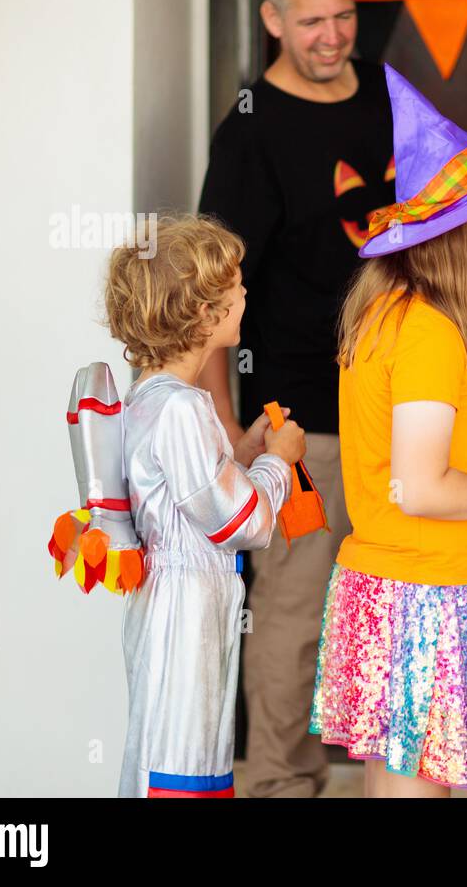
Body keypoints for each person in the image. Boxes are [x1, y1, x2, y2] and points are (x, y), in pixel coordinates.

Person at [308, 65, 467, 796]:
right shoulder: (426, 332)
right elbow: (420, 487)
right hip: (419, 597)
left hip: (404, 588)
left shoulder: (394, 312)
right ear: (456, 229)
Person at [196, 0, 393, 797]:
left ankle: (396, 778)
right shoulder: (249, 131)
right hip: (300, 424)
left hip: (402, 409)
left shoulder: (390, 94)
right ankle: (280, 784)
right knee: (294, 613)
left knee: (396, 609)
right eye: (311, 20)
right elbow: (207, 293)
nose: (332, 35)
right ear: (273, 18)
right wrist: (225, 426)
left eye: (344, 14)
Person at [103, 215, 307, 797]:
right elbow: (239, 522)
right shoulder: (184, 410)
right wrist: (280, 461)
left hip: (180, 598)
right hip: (186, 610)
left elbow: (194, 493)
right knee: (180, 757)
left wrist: (243, 452)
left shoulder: (153, 397)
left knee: (183, 751)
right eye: (236, 289)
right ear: (202, 315)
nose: (247, 295)